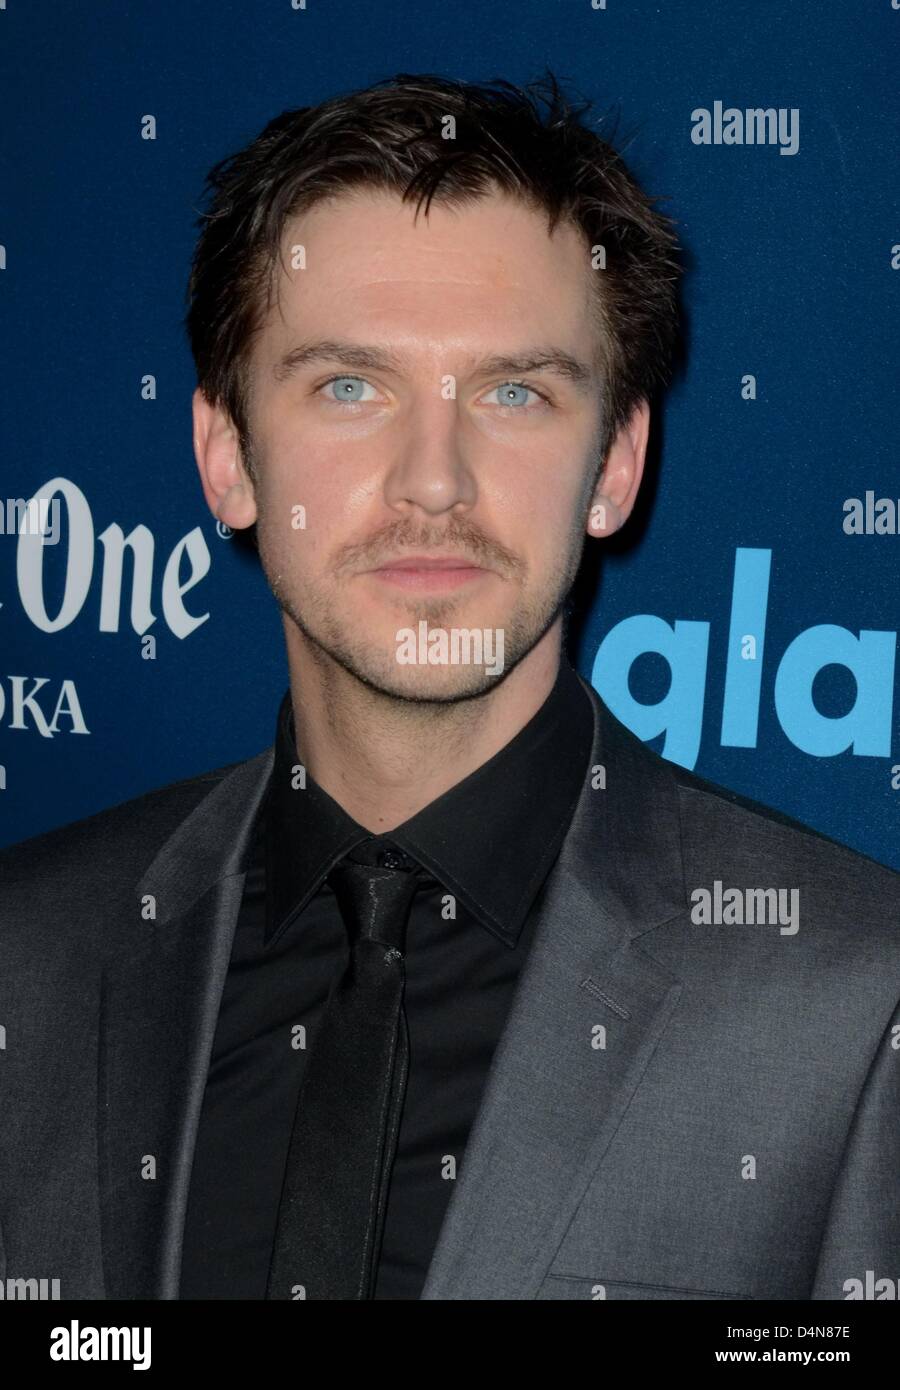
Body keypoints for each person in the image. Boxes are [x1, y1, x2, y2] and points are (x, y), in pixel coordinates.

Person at [1, 72, 898, 1302]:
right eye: (351, 387)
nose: (435, 478)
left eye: (515, 392)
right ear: (227, 458)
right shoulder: (28, 959)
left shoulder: (853, 1007)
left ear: (615, 466)